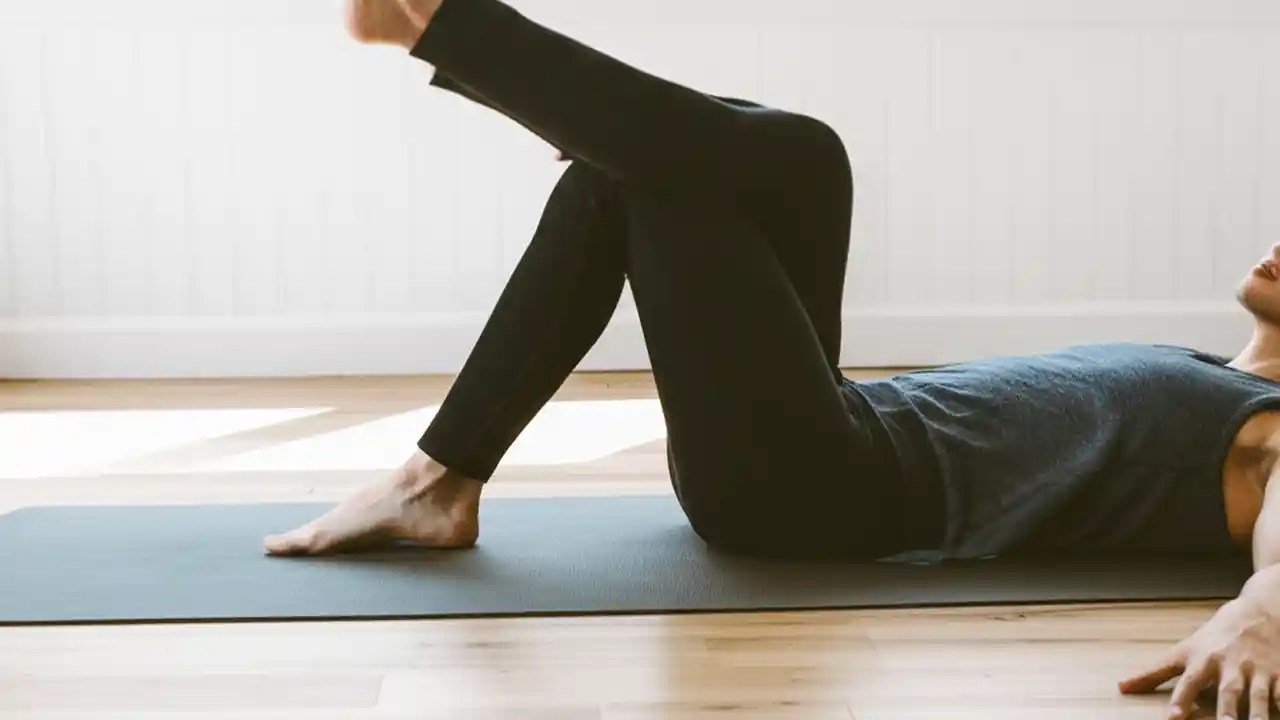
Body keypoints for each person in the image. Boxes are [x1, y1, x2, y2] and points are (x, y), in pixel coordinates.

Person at [263, 0, 1280, 716]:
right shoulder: (1210, 371)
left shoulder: (1265, 425)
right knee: (798, 156)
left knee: (650, 175)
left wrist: (1263, 610)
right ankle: (438, 480)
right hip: (833, 422)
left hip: (828, 492)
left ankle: (439, 23)